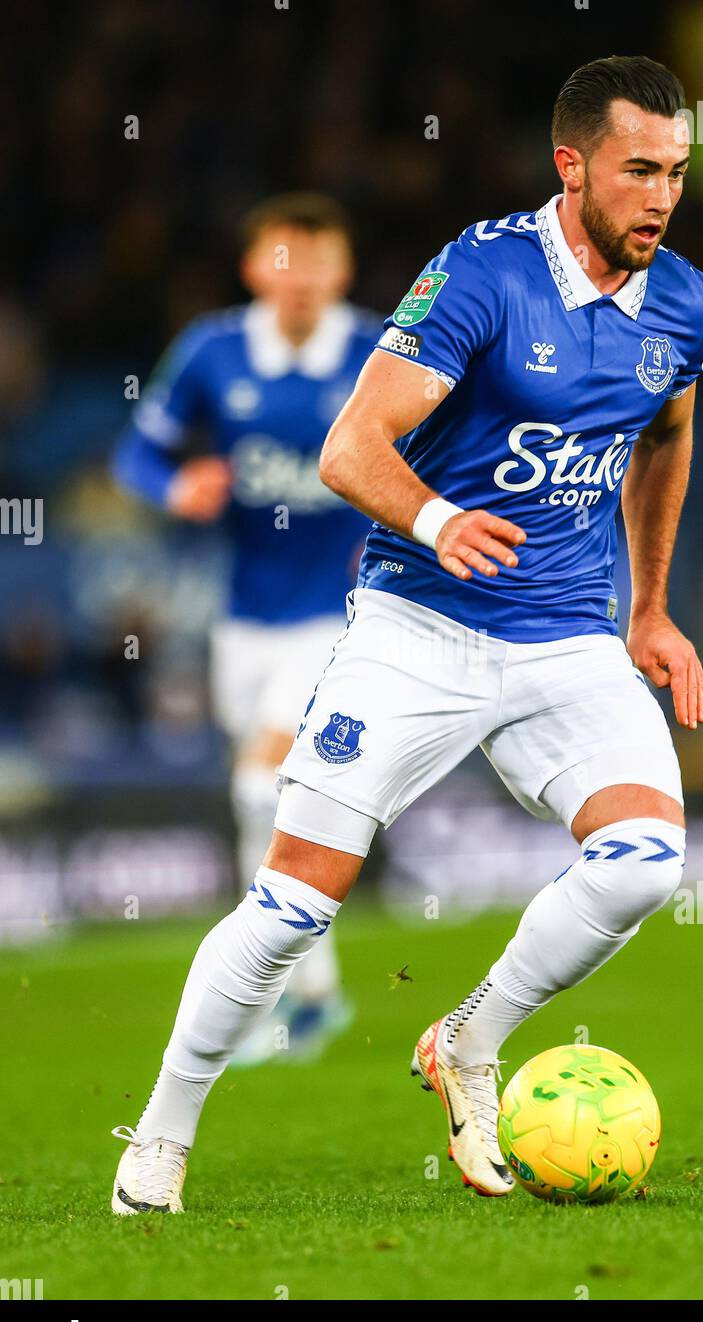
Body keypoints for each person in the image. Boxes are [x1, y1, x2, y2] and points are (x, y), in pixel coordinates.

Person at [111, 55, 703, 1213]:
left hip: (562, 639)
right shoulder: (484, 272)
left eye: (676, 174)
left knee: (643, 863)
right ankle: (163, 1136)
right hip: (416, 625)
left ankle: (469, 1040)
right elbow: (349, 450)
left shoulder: (681, 299)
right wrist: (439, 521)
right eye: (639, 170)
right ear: (571, 164)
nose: (659, 196)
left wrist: (646, 607)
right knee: (292, 902)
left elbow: (665, 434)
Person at [113, 193, 379, 1066]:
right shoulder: (212, 352)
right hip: (242, 622)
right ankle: (311, 996)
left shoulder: (384, 349)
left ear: (342, 270)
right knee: (257, 809)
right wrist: (172, 489)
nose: (298, 279)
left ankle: (286, 997)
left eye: (316, 261)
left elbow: (443, 446)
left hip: (339, 617)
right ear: (252, 268)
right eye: (282, 259)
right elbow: (137, 454)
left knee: (265, 788)